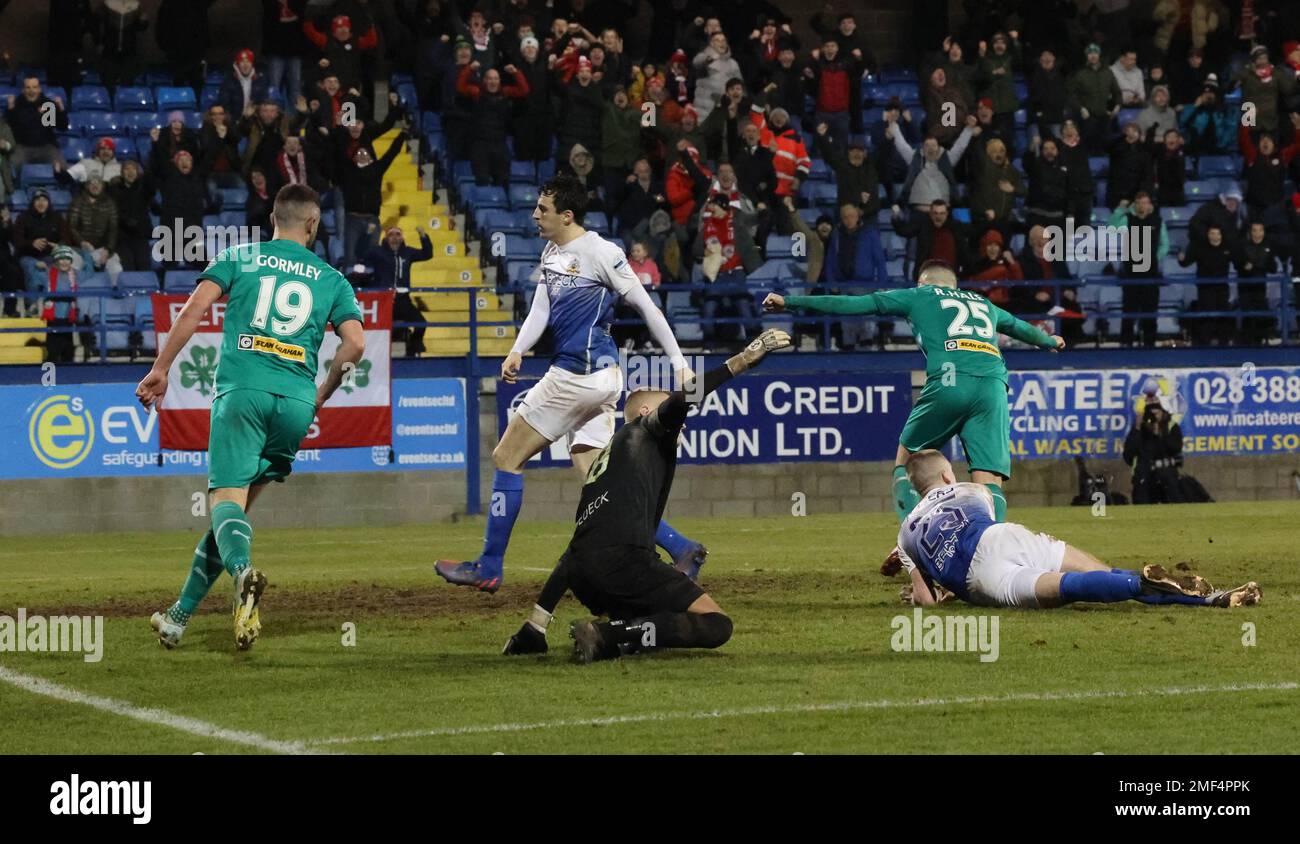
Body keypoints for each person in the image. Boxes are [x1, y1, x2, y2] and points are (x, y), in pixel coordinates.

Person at [436, 173, 707, 594]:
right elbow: (540, 309)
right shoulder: (551, 252)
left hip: (576, 376)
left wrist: (680, 365)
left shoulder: (601, 252)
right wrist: (517, 349)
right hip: (601, 380)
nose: (534, 214)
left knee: (507, 456)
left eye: (542, 209)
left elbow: (647, 308)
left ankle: (488, 566)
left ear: (566, 215)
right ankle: (682, 546)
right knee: (596, 481)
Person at [137, 184, 366, 650]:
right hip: (297, 404)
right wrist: (321, 394)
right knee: (231, 516)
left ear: (272, 221)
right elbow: (356, 345)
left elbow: (195, 308)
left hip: (243, 392)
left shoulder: (242, 256)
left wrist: (161, 369)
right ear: (313, 224)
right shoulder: (332, 278)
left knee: (225, 502)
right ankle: (179, 617)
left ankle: (243, 575)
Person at [501, 329, 792, 662]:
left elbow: (574, 552)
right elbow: (682, 400)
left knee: (658, 620)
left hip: (584, 574)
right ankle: (606, 634)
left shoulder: (611, 460)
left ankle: (615, 634)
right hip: (625, 565)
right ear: (644, 414)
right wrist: (740, 362)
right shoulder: (646, 430)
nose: (681, 425)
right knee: (717, 625)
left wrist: (535, 624)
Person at [764, 260, 1064, 529]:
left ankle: (914, 547)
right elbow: (1018, 326)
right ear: (954, 285)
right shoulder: (984, 303)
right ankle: (988, 553)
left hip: (949, 381)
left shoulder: (919, 295)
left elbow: (854, 304)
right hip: (994, 387)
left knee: (906, 462)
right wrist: (1048, 340)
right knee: (989, 480)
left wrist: (790, 301)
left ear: (923, 282)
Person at [895, 449, 1257, 609]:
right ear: (946, 475)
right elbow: (982, 525)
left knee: (1072, 589)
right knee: (1101, 573)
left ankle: (1141, 584)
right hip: (1002, 536)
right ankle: (1212, 596)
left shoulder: (906, 532)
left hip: (983, 575)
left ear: (916, 490)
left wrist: (924, 593)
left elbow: (927, 599)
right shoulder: (973, 490)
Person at [357, 224, 433, 356]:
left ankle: (412, 350)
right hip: (384, 300)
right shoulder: (378, 252)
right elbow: (360, 252)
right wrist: (367, 234)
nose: (395, 238)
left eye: (398, 234)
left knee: (421, 323)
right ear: (386, 238)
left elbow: (427, 254)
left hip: (403, 300)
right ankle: (373, 355)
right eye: (391, 235)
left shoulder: (408, 252)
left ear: (402, 238)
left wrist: (423, 236)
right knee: (374, 329)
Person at [1122, 399, 1186, 504]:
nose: (1154, 417)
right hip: (1144, 476)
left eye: (1156, 413)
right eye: (1150, 414)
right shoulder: (1140, 430)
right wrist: (1137, 429)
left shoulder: (1171, 427)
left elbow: (1175, 449)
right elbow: (1128, 456)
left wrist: (1159, 433)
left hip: (1167, 476)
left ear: (1163, 412)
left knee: (1174, 498)